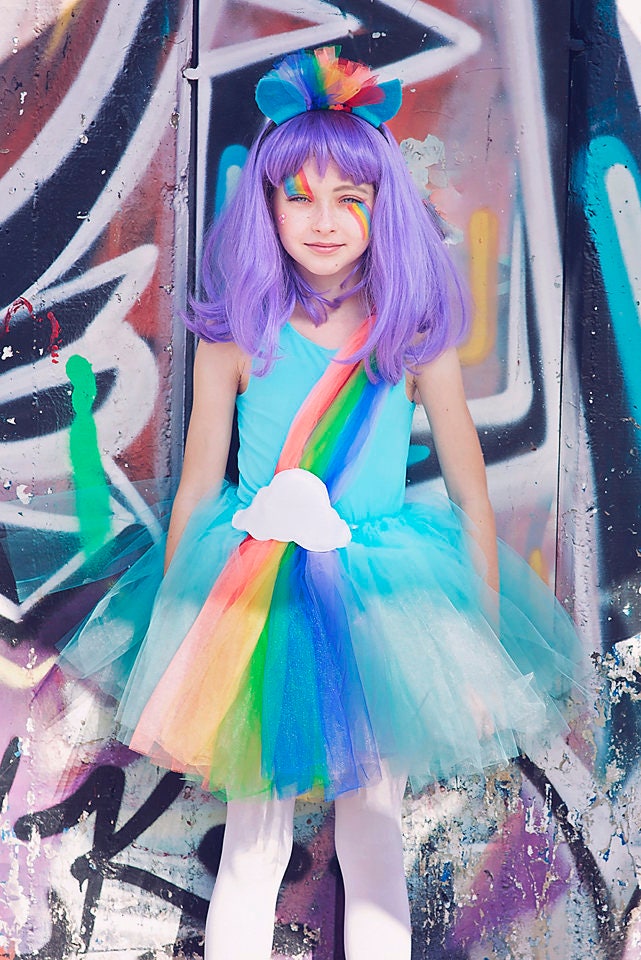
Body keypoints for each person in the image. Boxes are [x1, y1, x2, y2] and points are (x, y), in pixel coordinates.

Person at [60, 46, 583, 960]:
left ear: (383, 210)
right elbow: (196, 492)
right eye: (297, 195)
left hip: (385, 600)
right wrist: (176, 627)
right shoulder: (237, 339)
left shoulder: (407, 341)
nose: (324, 220)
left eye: (350, 199)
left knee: (371, 832)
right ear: (264, 206)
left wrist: (479, 641)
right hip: (254, 603)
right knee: (254, 841)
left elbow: (470, 498)